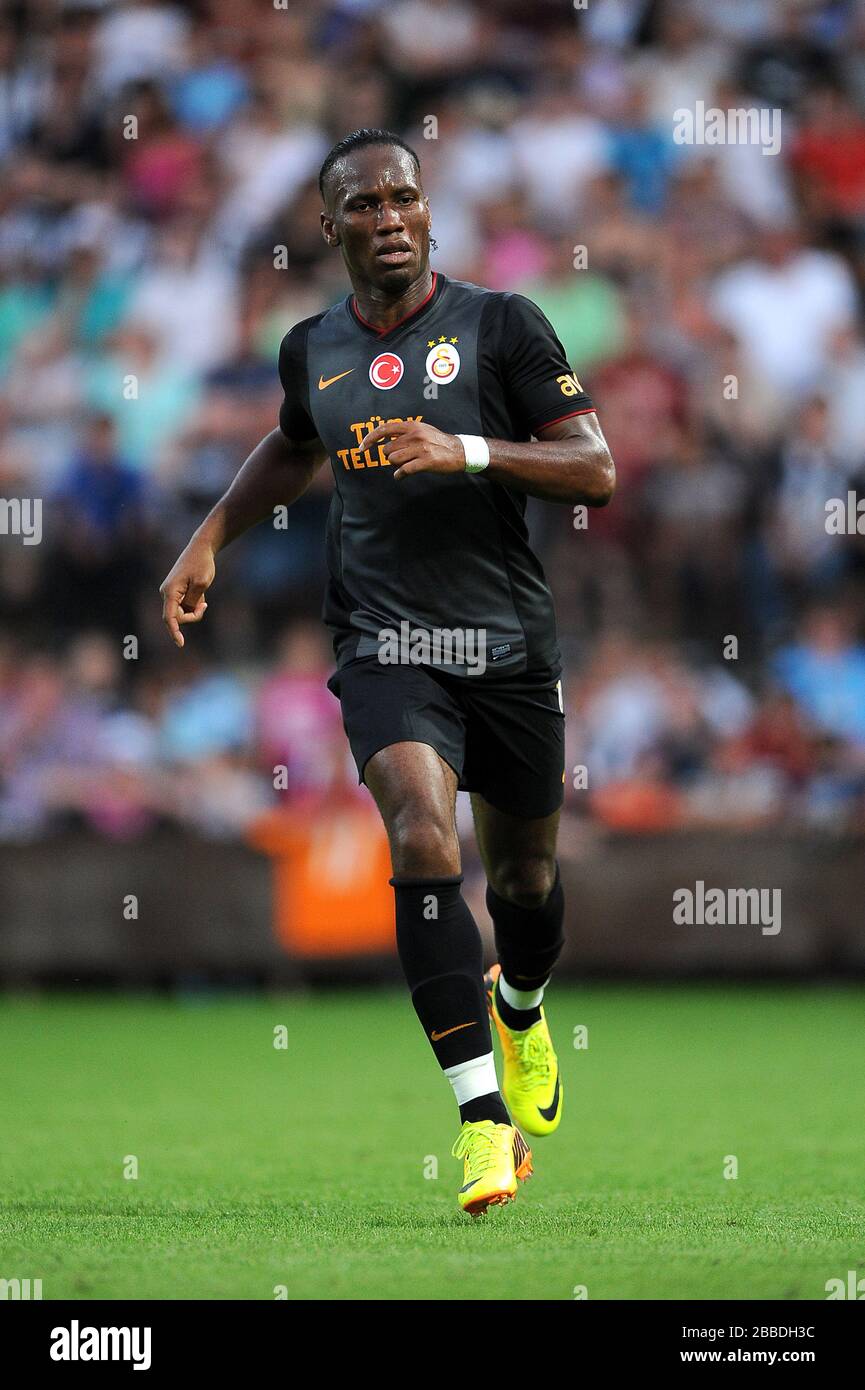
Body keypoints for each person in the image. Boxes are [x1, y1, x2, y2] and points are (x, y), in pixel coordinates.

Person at [160, 128, 615, 1215]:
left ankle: (522, 1002)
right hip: (384, 641)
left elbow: (594, 469)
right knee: (419, 833)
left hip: (504, 645)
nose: (390, 217)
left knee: (525, 887)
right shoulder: (310, 346)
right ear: (332, 227)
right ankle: (479, 1125)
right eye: (364, 205)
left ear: (427, 210)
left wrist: (465, 450)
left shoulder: (500, 325)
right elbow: (292, 442)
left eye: (404, 197)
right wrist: (210, 537)